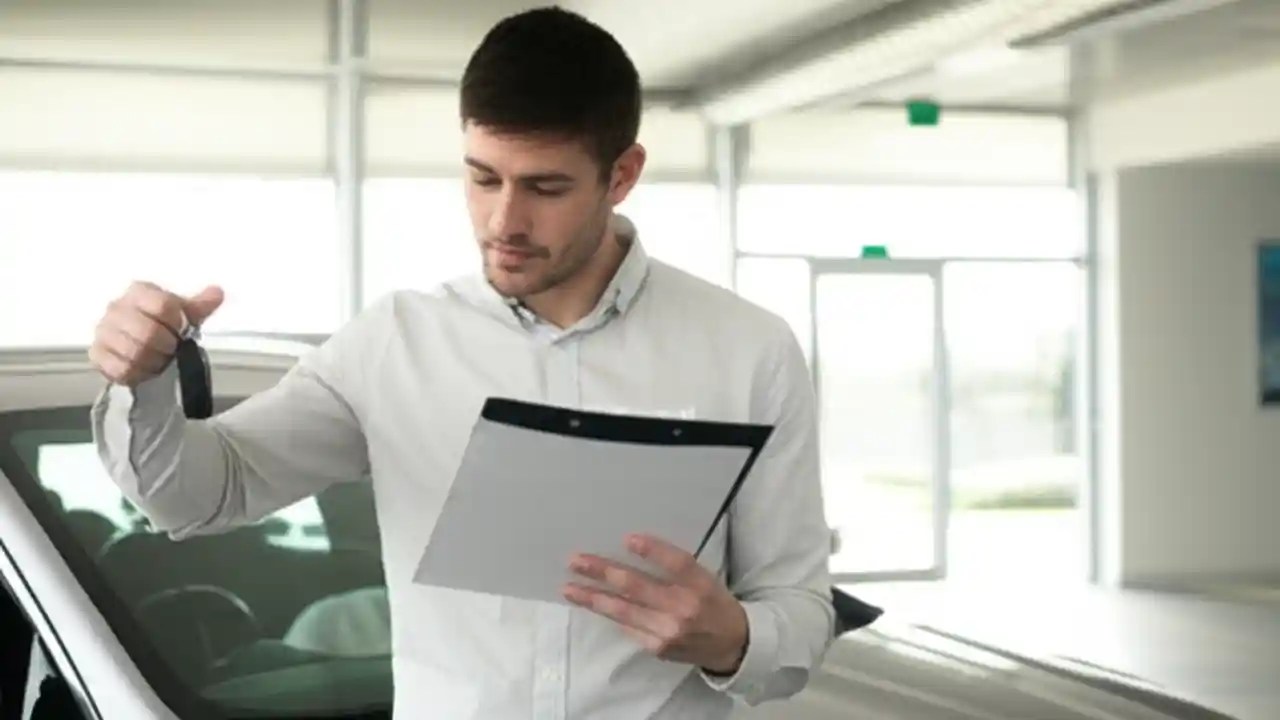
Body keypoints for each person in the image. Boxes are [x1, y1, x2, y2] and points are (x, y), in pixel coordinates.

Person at [89, 7, 834, 718]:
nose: (504, 221)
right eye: (483, 178)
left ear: (623, 174)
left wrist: (735, 639)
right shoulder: (394, 344)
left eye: (545, 187)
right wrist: (142, 385)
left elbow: (800, 609)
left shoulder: (748, 353)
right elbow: (194, 497)